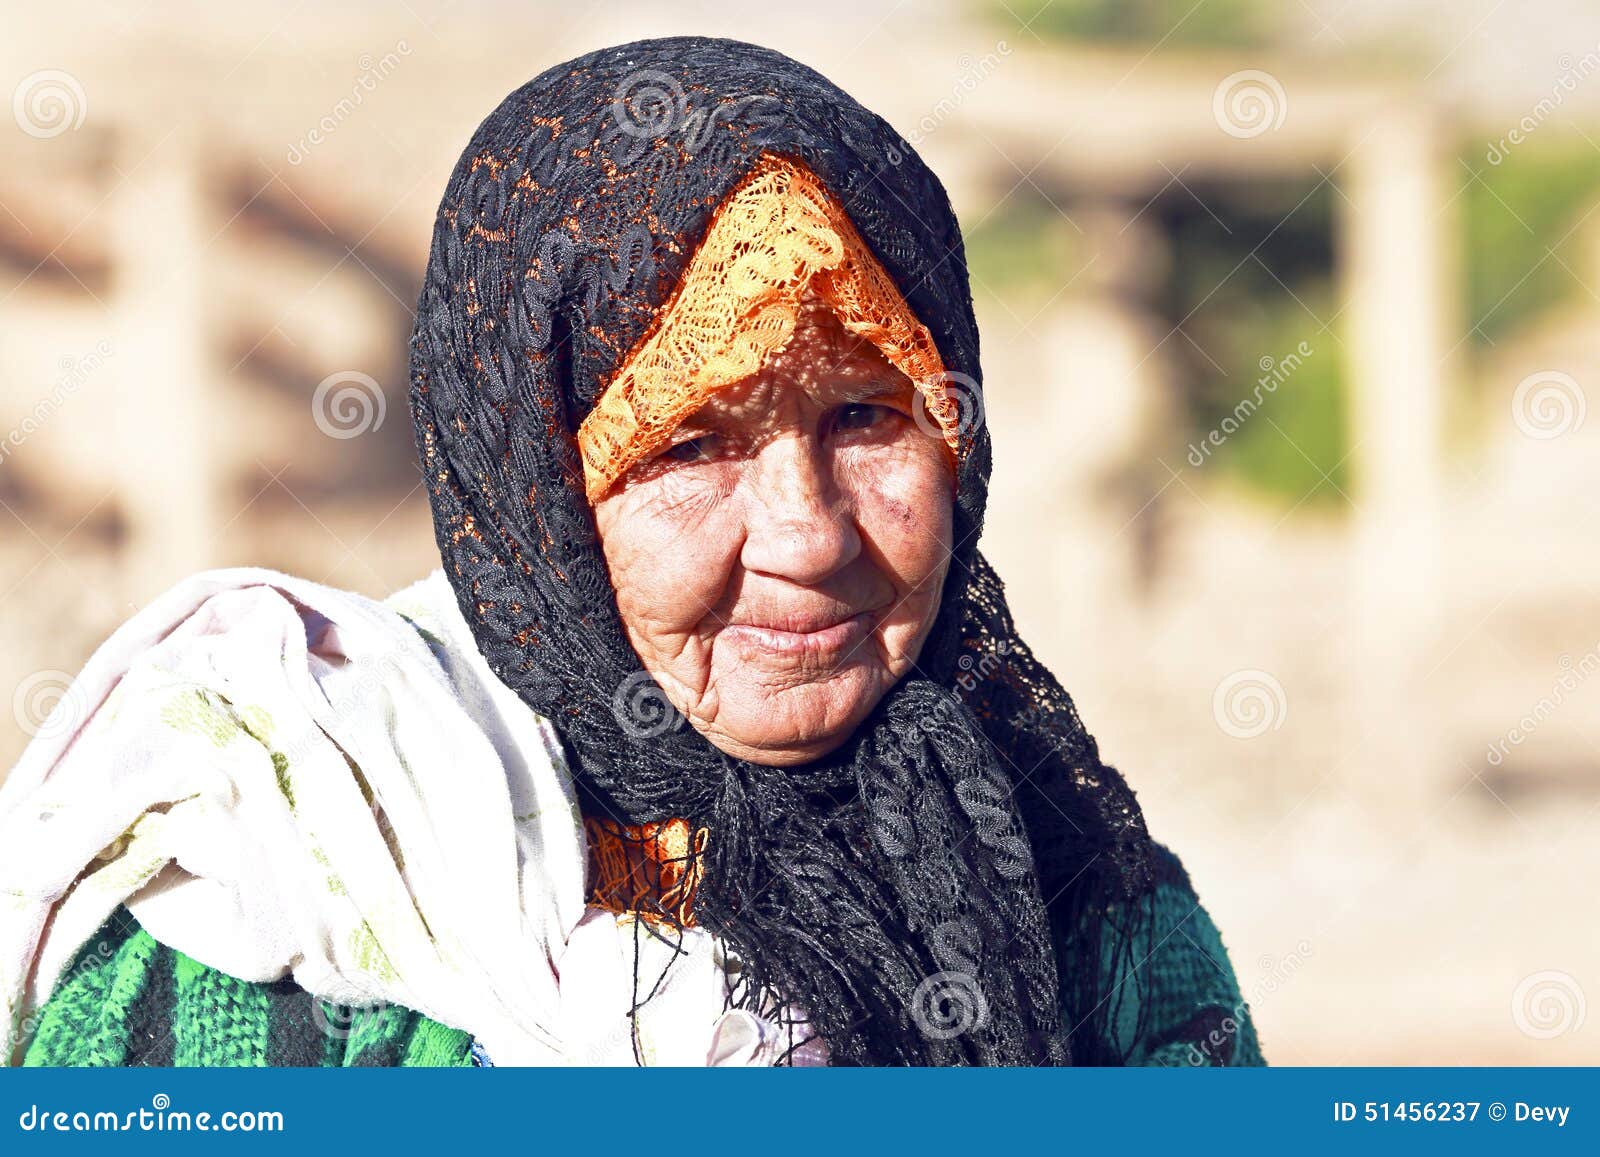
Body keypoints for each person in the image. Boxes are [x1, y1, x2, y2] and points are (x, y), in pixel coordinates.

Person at [2, 36, 1262, 1067]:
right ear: (532, 496)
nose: (808, 534)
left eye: (870, 416)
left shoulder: (1091, 915)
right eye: (686, 448)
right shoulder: (263, 895)